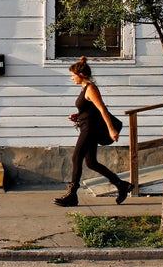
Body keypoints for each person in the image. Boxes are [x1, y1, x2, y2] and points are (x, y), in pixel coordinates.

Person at [54, 56, 131, 207]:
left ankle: (72, 194)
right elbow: (91, 108)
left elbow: (102, 109)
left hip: (90, 129)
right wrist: (77, 115)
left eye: (73, 75)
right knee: (91, 162)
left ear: (81, 75)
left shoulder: (91, 88)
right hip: (86, 126)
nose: (72, 78)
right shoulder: (85, 89)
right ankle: (121, 184)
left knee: (76, 158)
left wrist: (111, 129)